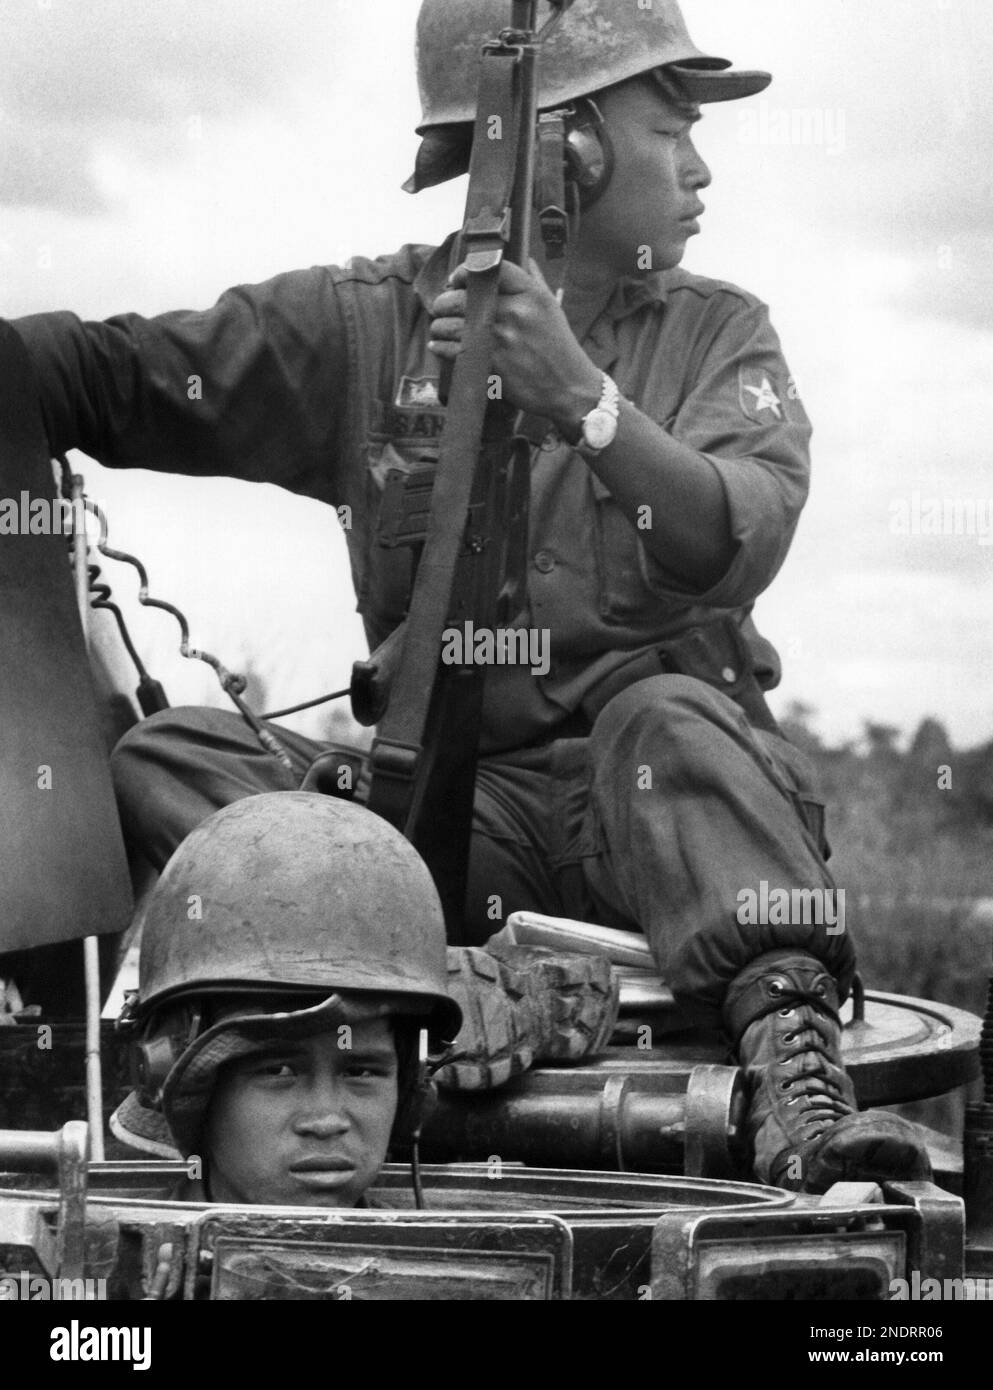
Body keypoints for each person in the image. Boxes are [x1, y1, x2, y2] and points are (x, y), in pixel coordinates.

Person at [14, 0, 929, 1192]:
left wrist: (582, 399)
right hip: (435, 832)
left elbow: (730, 531)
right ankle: (424, 982)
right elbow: (103, 374)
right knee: (167, 757)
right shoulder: (365, 327)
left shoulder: (718, 333)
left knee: (674, 723)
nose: (701, 168)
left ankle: (793, 1076)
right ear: (573, 146)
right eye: (674, 130)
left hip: (651, 829)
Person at [113, 791, 618, 1203]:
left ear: (413, 1090)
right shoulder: (100, 1269)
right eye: (278, 1071)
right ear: (174, 1078)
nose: (327, 1120)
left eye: (362, 1072)